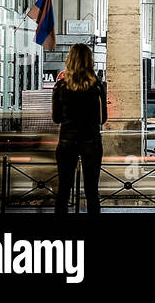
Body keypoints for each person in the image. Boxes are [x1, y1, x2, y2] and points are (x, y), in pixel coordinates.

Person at [52, 43, 107, 213]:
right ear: (90, 61)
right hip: (91, 141)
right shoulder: (97, 86)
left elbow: (56, 118)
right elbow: (102, 119)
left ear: (70, 60)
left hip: (67, 141)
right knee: (92, 191)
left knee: (63, 190)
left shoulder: (60, 86)